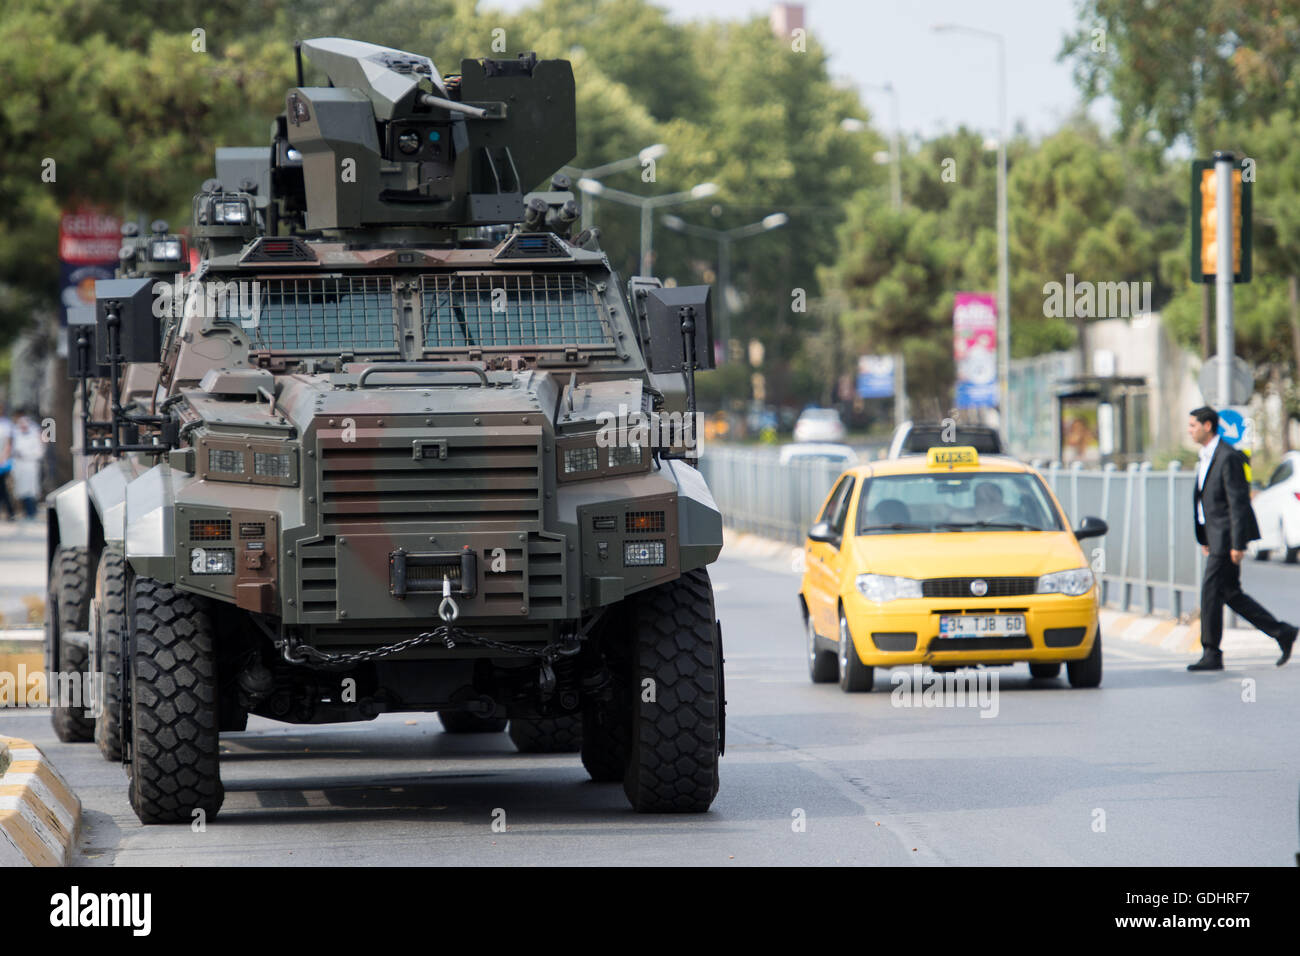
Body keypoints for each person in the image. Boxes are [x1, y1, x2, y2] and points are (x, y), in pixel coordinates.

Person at [1188, 406, 1296, 670]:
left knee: (1210, 592)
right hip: (1215, 536)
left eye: (1193, 425)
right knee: (1231, 594)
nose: (1189, 431)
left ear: (1207, 426)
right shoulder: (1206, 456)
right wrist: (1204, 537)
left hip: (1227, 538)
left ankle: (1211, 652)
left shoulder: (1228, 457)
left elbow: (1237, 503)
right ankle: (1282, 631)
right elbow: (1205, 501)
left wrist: (1238, 544)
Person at [9, 410, 44, 520]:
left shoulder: (34, 434)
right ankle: (26, 511)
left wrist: (26, 454)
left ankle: (32, 512)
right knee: (21, 490)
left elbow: (39, 452)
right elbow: (12, 450)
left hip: (31, 465)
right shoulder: (16, 435)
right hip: (19, 466)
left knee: (32, 490)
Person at [0, 404, 14, 520]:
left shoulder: (6, 424)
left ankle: (10, 511)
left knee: (3, 487)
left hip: (2, 461)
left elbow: (9, 443)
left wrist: (3, 457)